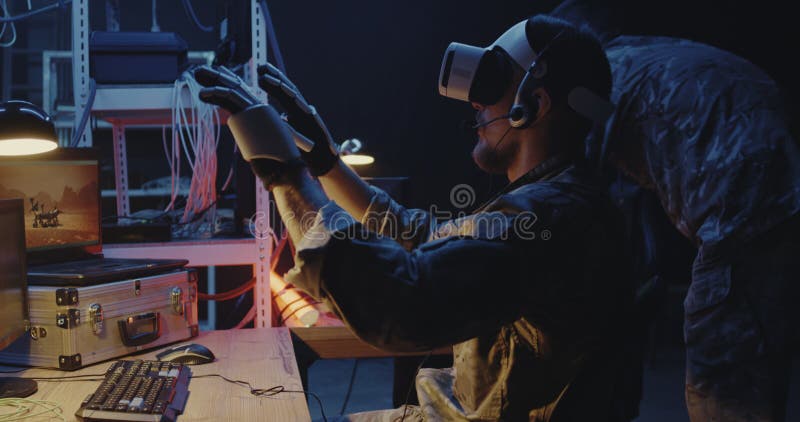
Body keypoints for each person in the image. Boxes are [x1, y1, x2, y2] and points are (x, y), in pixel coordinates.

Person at [195, 15, 632, 421]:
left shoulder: (547, 217)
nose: (475, 103)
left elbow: (403, 305)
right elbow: (423, 235)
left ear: (532, 105)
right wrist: (327, 165)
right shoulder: (563, 200)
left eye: (492, 82)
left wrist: (285, 176)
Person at [551, 2, 800, 420]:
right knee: (759, 358)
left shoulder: (597, 80)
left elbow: (573, 189)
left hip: (745, 215)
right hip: (782, 199)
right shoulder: (657, 54)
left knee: (722, 371)